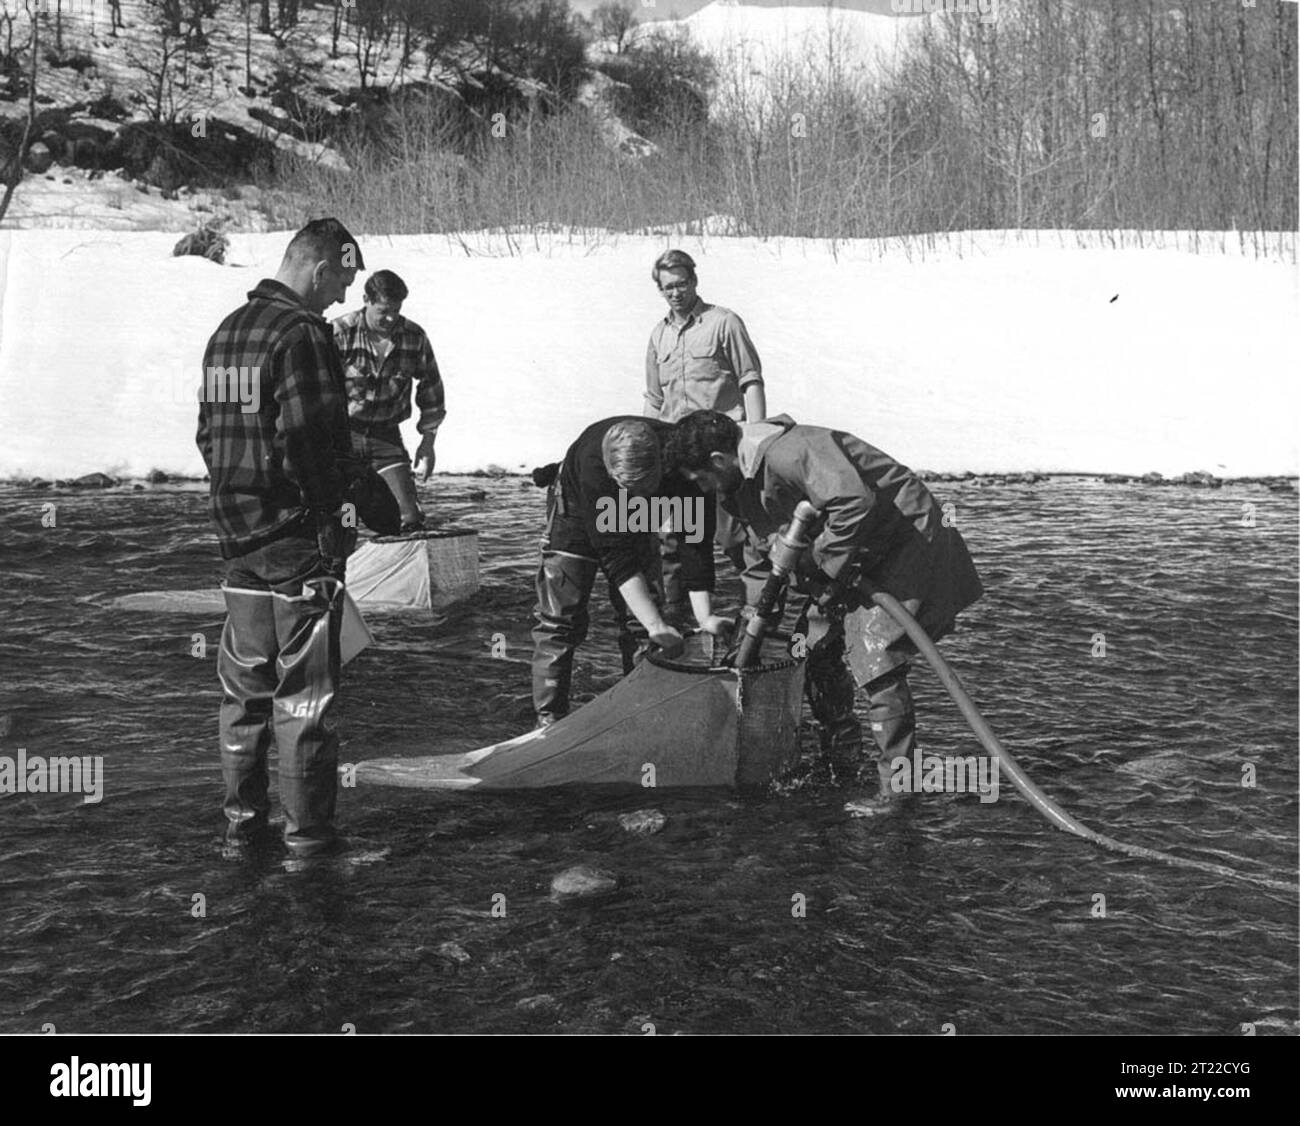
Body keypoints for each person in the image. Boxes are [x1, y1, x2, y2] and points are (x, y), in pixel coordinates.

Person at [667, 410, 984, 816]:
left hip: (904, 545)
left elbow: (854, 502)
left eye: (700, 480)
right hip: (850, 557)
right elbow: (760, 561)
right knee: (812, 649)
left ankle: (899, 791)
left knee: (877, 662)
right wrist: (753, 623)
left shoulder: (792, 452)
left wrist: (822, 563)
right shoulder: (735, 485)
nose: (701, 490)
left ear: (717, 460)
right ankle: (843, 763)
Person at [197, 217, 365, 857]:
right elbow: (312, 444)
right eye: (342, 282)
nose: (343, 297)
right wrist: (336, 521)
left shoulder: (227, 331)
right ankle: (310, 842)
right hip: (297, 540)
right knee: (306, 699)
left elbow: (208, 438)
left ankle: (242, 834)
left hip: (237, 539)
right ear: (319, 269)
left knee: (243, 694)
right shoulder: (302, 334)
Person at [531, 417, 732, 728]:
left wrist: (705, 618)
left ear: (660, 470)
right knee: (561, 621)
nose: (632, 496)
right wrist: (656, 624)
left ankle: (641, 715)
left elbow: (695, 543)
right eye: (627, 488)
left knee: (642, 624)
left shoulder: (685, 461)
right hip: (577, 508)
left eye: (639, 488)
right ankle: (549, 722)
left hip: (643, 502)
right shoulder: (595, 469)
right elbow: (616, 557)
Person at [643, 249, 765, 610]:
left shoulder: (723, 323)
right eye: (668, 288)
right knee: (675, 540)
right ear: (661, 290)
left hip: (721, 455)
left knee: (735, 539)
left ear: (694, 281)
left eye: (681, 284)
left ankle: (757, 618)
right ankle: (678, 624)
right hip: (679, 458)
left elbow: (750, 380)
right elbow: (653, 398)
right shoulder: (657, 336)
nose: (676, 293)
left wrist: (755, 437)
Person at [332, 269, 446, 533]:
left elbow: (432, 390)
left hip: (386, 439)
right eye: (384, 311)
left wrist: (428, 442)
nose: (391, 317)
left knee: (408, 520)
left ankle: (403, 570)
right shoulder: (339, 333)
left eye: (396, 310)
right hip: (342, 439)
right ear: (366, 300)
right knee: (342, 522)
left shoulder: (414, 336)